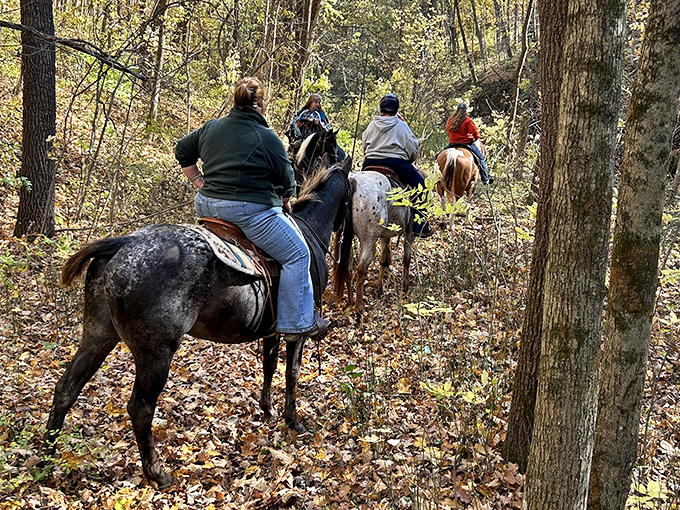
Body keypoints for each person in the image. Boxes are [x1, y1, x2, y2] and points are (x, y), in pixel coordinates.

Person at [175, 77, 324, 342]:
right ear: (261, 104)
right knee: (299, 254)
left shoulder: (211, 127)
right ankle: (294, 324)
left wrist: (198, 181)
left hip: (207, 206)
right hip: (248, 213)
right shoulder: (266, 137)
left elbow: (182, 150)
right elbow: (287, 180)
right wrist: (287, 199)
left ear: (236, 100)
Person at [361, 93, 433, 238]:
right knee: (422, 187)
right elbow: (413, 148)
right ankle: (420, 226)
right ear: (395, 109)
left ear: (381, 108)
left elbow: (364, 145)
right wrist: (409, 158)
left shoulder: (371, 125)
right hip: (395, 164)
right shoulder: (401, 125)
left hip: (369, 163)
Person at [445, 103, 493, 184]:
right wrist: (474, 138)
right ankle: (485, 178)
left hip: (452, 144)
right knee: (480, 158)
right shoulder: (467, 120)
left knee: (439, 156)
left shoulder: (450, 120)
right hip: (466, 144)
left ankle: (435, 176)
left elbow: (447, 129)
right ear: (465, 111)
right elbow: (476, 134)